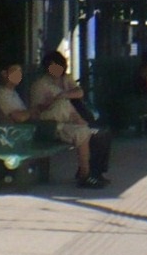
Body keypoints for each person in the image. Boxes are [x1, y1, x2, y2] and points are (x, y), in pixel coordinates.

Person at [29, 51, 110, 188]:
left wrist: (63, 94)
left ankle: (88, 173)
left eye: (58, 66)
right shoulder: (40, 84)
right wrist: (57, 101)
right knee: (66, 109)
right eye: (52, 66)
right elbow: (37, 109)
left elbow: (79, 92)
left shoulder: (66, 79)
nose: (56, 69)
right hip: (49, 123)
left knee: (91, 133)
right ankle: (87, 174)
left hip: (68, 121)